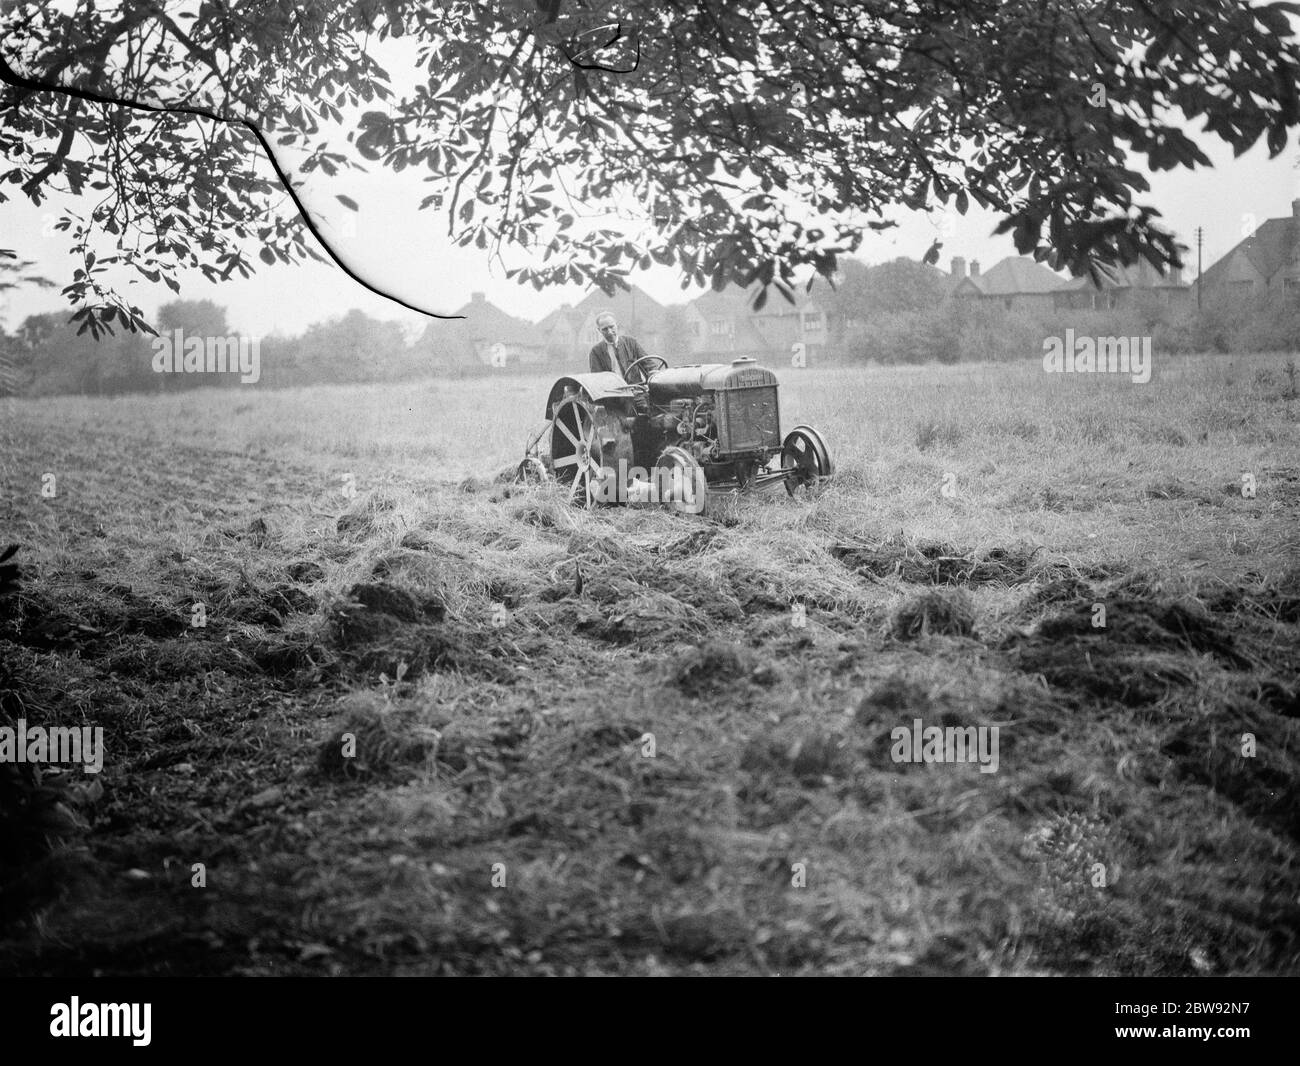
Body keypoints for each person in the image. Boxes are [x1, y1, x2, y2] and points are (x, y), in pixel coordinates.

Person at [588, 312, 656, 383]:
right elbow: (597, 378)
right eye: (605, 329)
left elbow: (649, 364)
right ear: (599, 330)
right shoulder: (596, 352)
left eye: (612, 327)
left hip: (636, 390)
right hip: (612, 392)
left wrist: (654, 374)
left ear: (617, 325)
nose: (610, 332)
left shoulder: (631, 343)